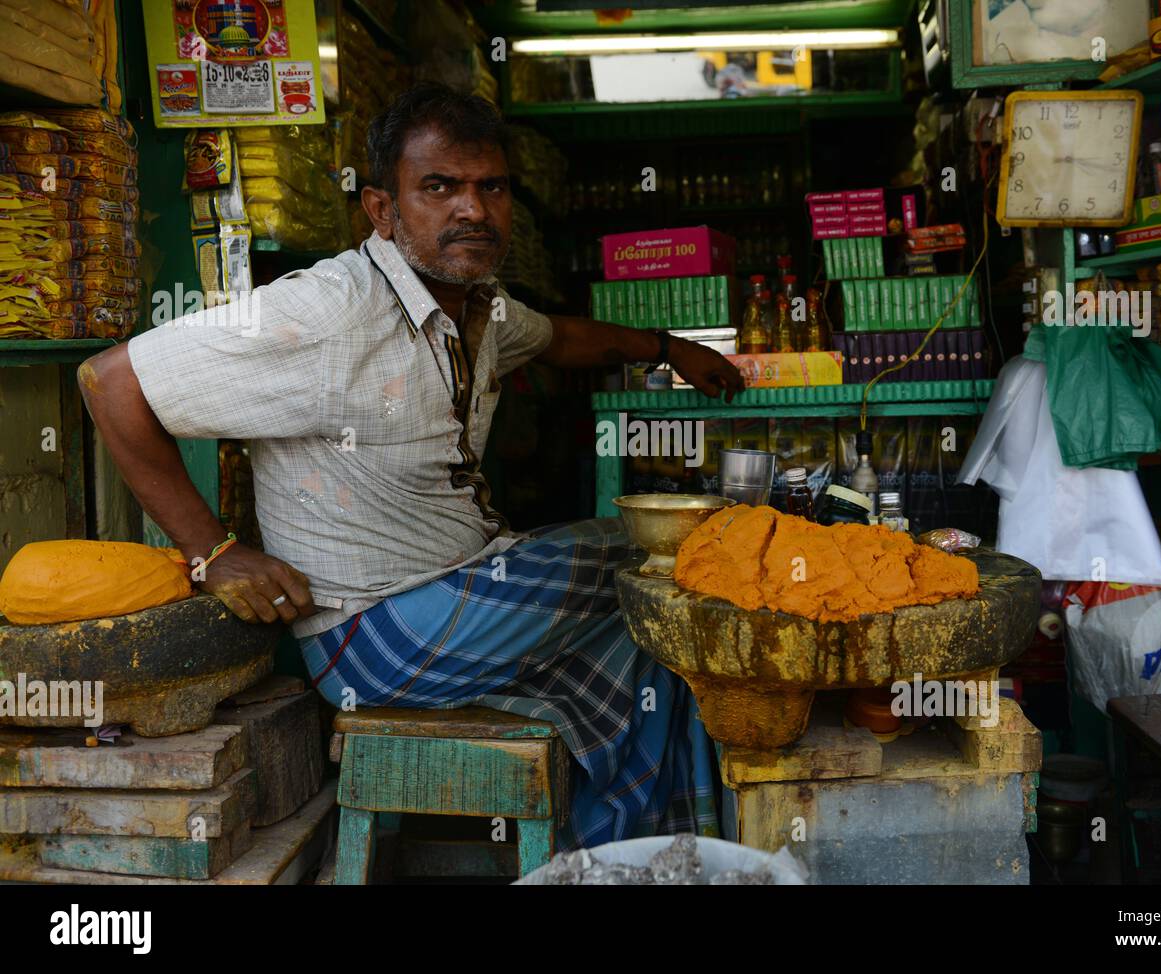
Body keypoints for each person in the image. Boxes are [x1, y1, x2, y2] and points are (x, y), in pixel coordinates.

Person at [80, 82, 744, 848]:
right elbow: (110, 381)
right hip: (373, 634)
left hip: (457, 597)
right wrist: (214, 553)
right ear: (382, 211)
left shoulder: (479, 305)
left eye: (489, 187)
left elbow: (558, 338)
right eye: (439, 188)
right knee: (647, 557)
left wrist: (668, 349)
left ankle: (630, 853)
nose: (472, 209)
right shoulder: (327, 309)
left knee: (655, 643)